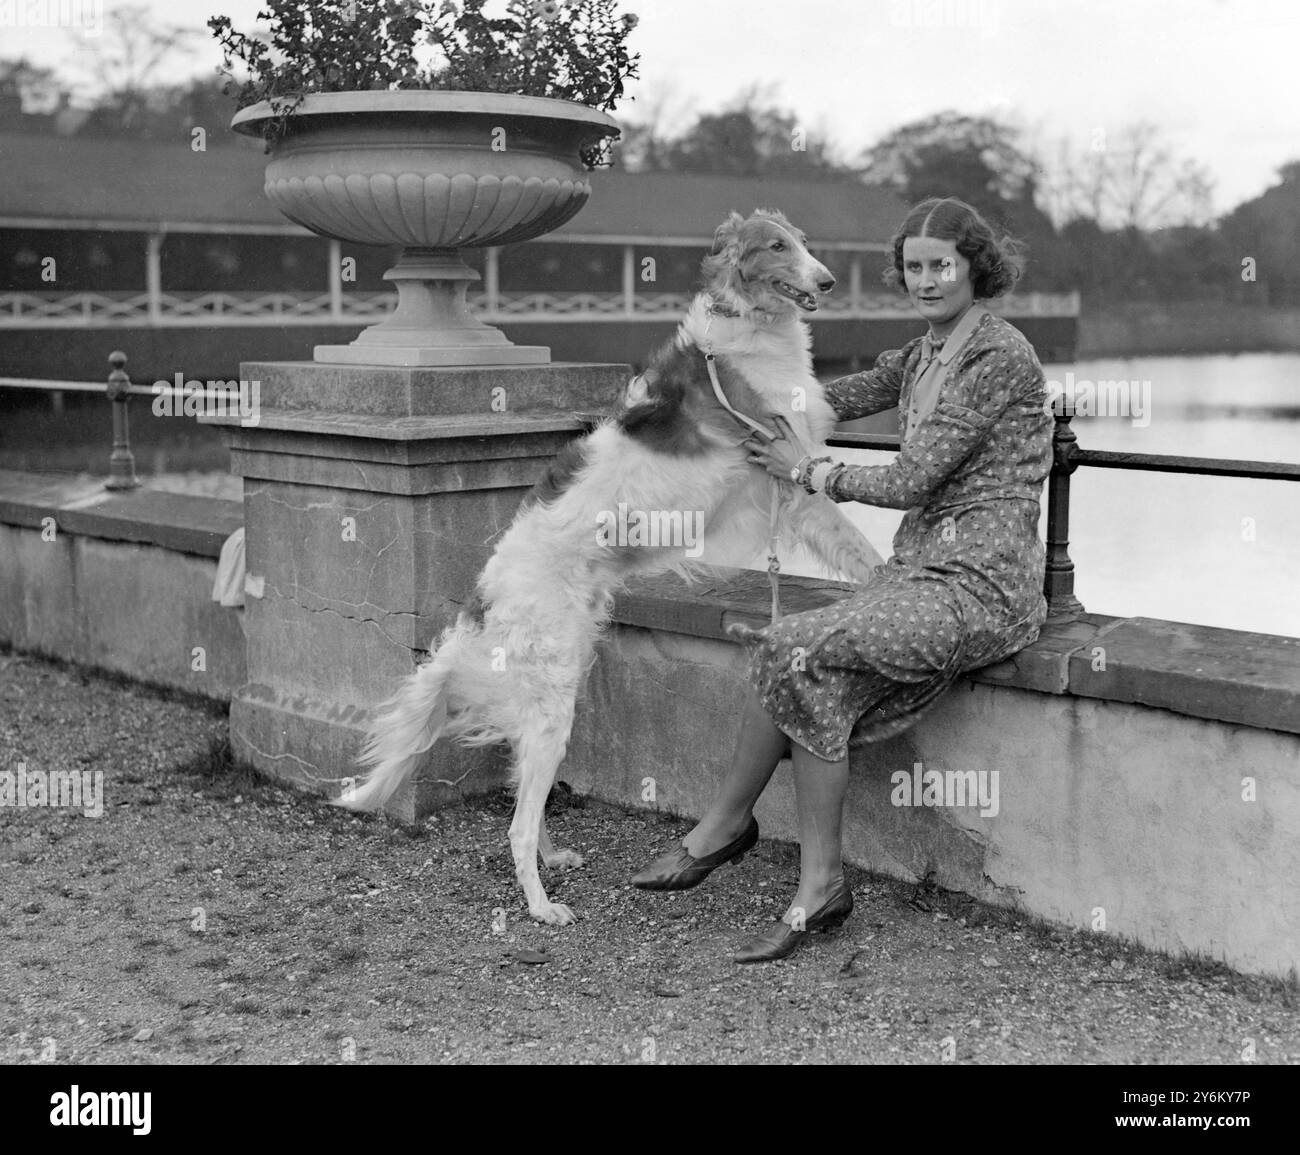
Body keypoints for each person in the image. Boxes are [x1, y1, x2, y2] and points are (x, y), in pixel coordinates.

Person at [630, 196, 1054, 963]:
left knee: (797, 650)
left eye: (940, 266)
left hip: (985, 584)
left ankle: (728, 834)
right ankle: (805, 876)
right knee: (786, 651)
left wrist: (810, 469)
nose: (924, 281)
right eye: (913, 267)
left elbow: (917, 477)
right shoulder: (925, 351)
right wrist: (735, 386)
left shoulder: (999, 355)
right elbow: (830, 400)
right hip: (921, 572)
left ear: (974, 268)